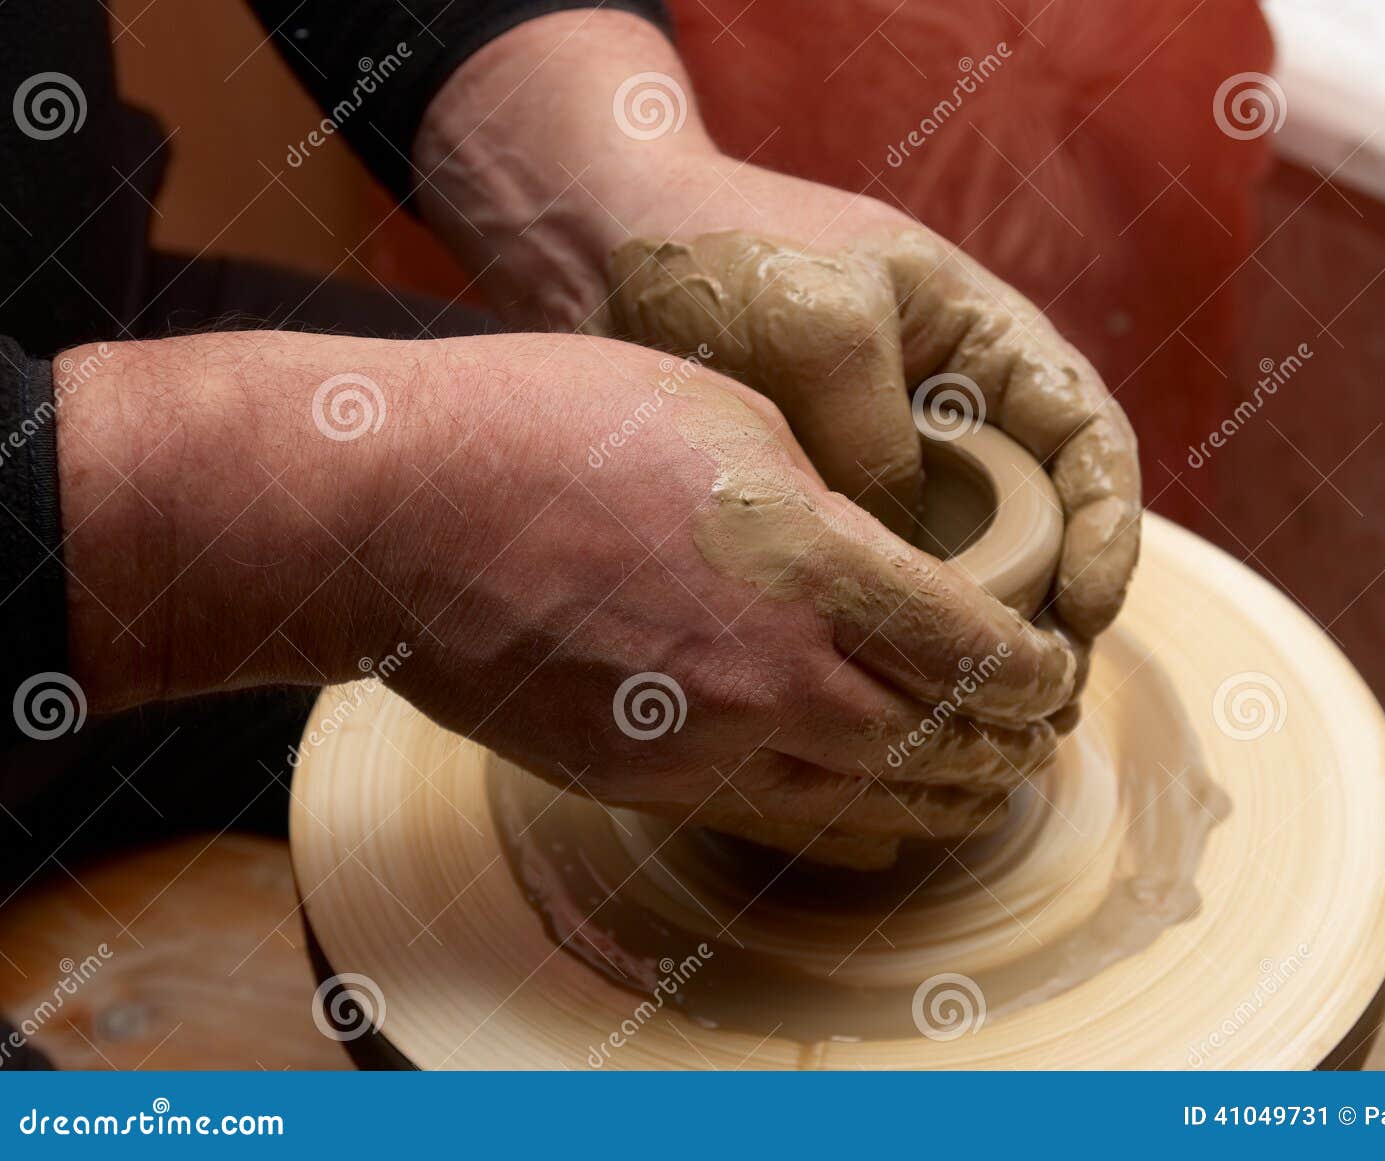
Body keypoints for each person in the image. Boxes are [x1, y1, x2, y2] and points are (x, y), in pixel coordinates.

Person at [0, 2, 1138, 1065]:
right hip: (41, 464)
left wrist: (621, 190)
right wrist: (378, 514)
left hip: (72, 301)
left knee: (614, 469)